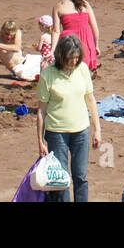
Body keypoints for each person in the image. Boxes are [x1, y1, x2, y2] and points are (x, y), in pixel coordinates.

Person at [36, 34, 102, 202]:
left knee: (80, 176)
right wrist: (40, 141)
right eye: (70, 58)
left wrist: (97, 130)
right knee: (61, 179)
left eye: (76, 58)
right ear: (61, 56)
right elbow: (42, 111)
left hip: (81, 131)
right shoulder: (48, 74)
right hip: (56, 133)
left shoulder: (82, 69)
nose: (73, 62)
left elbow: (90, 100)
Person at [50, 0, 100, 75]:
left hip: (69, 42)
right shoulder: (84, 4)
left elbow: (56, 31)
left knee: (69, 71)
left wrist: (52, 50)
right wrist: (96, 45)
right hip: (86, 40)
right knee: (84, 71)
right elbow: (95, 28)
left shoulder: (58, 7)